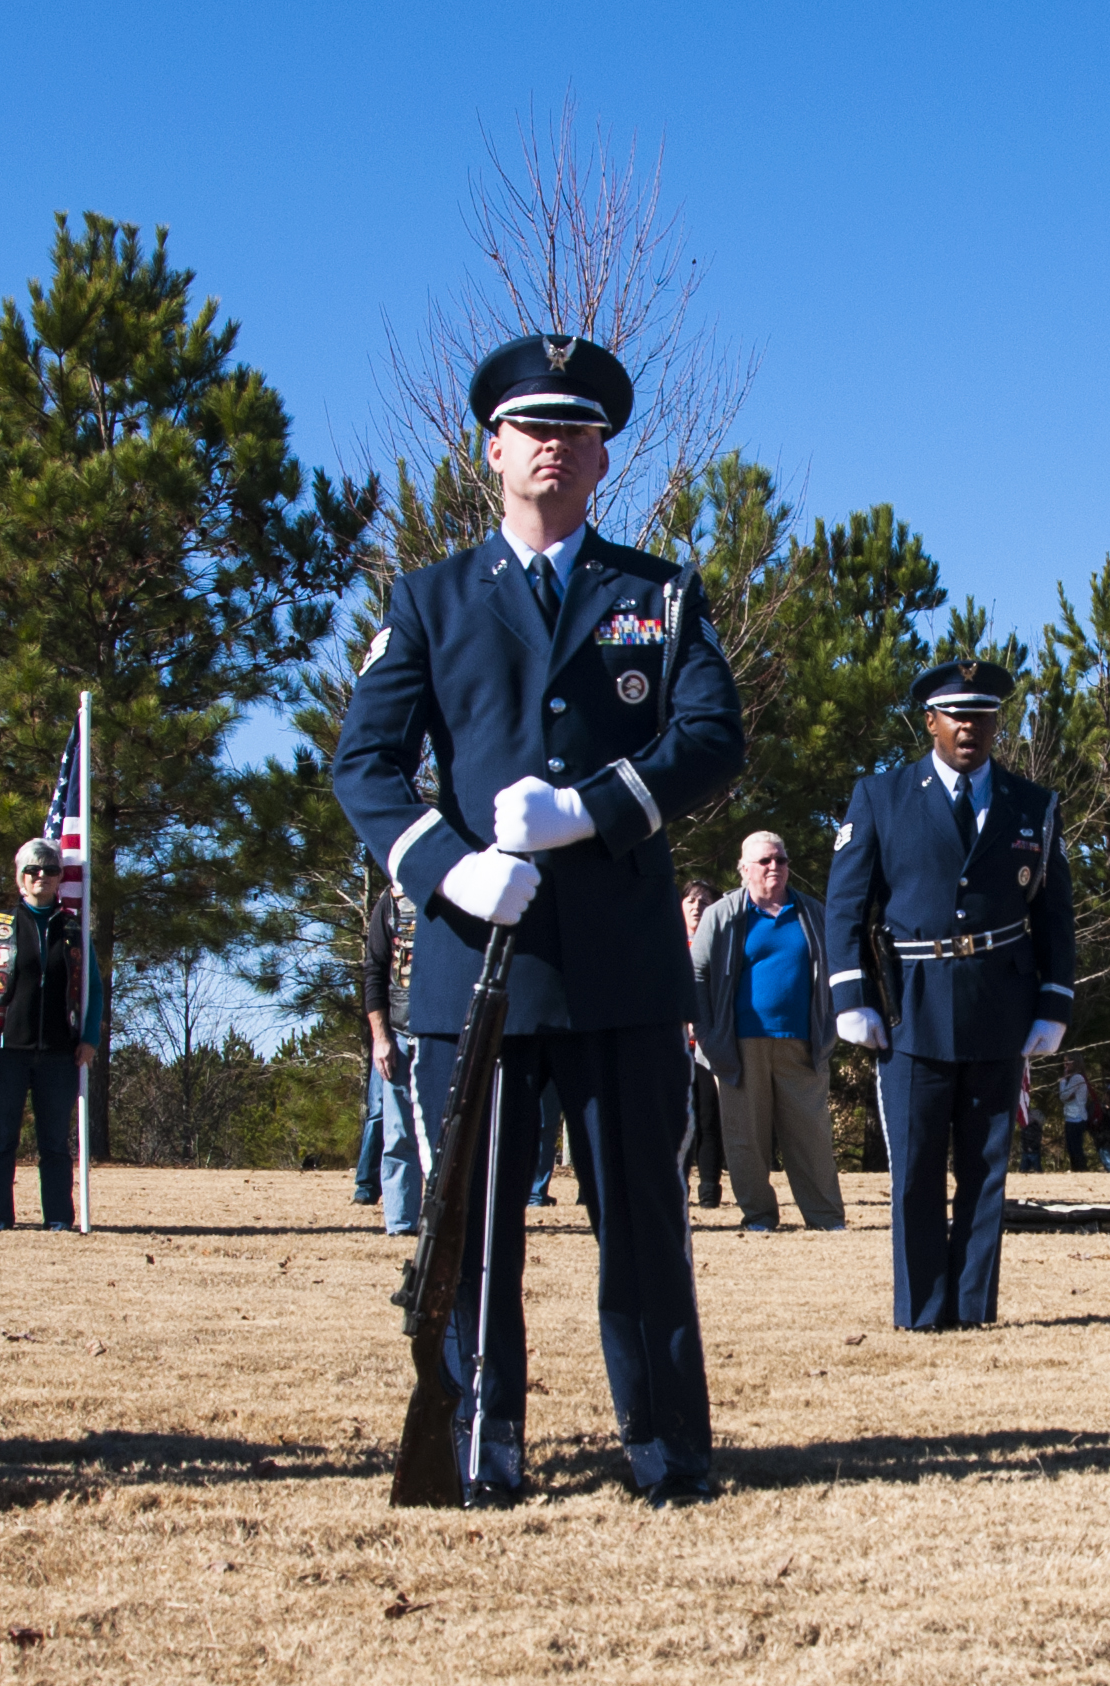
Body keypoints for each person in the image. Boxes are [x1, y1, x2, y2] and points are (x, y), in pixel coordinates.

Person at [330, 332, 744, 1508]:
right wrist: (448, 870)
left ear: (604, 453)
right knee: (472, 1235)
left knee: (646, 1234)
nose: (552, 446)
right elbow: (363, 765)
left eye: (576, 428)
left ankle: (667, 1452)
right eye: (531, 427)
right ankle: (478, 1442)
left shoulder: (657, 595)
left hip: (619, 964)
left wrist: (588, 810)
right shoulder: (429, 599)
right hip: (484, 964)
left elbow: (712, 738)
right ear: (493, 448)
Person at [825, 659, 1077, 1330]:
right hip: (910, 1005)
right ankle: (920, 1307)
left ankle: (971, 1306)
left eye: (983, 714)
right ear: (929, 721)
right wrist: (850, 995)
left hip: (1001, 1003)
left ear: (999, 721)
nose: (970, 727)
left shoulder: (1034, 804)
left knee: (986, 1167)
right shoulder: (879, 796)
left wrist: (1053, 1003)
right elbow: (846, 902)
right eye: (956, 715)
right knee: (913, 1168)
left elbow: (1054, 913)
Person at [690, 832, 846, 1232]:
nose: (774, 866)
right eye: (764, 861)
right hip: (738, 1047)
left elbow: (835, 971)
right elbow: (696, 974)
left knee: (811, 1137)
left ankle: (826, 1219)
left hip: (803, 1043)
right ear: (744, 869)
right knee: (746, 1140)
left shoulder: (812, 912)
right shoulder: (722, 915)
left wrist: (832, 1027)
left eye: (781, 859)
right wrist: (706, 1033)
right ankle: (759, 1217)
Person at [0, 838, 106, 1231]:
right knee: (0, 1140)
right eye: (32, 870)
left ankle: (59, 1218)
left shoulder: (74, 929)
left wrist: (90, 1038)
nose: (40, 876)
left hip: (60, 1052)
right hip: (4, 1049)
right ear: (19, 878)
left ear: (61, 877)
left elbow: (93, 987)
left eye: (48, 869)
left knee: (54, 1145)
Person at [361, 873, 425, 1236]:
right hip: (398, 1035)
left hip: (441, 1035)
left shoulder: (448, 895)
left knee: (444, 1133)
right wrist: (380, 1037)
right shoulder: (387, 906)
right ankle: (401, 1224)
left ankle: (445, 1220)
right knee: (398, 1135)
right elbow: (374, 971)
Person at [679, 881, 727, 1209]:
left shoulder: (721, 946)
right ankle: (676, 1186)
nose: (696, 906)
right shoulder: (667, 944)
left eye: (704, 901)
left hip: (708, 1045)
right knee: (678, 1119)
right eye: (691, 900)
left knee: (709, 1118)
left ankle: (709, 1190)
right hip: (674, 1046)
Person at [1058, 1060, 1094, 1173]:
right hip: (1072, 1117)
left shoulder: (1077, 1078)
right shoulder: (1074, 1079)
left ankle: (1081, 1170)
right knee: (1072, 1147)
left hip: (1076, 1117)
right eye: (1064, 1063)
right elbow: (1067, 1096)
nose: (1065, 1066)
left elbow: (1063, 1096)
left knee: (1075, 1147)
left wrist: (1062, 1081)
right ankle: (1077, 1170)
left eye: (1068, 1063)